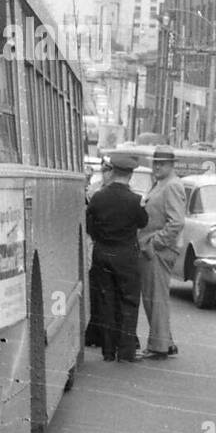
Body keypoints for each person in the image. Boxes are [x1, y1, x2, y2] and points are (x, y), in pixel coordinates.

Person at [85, 152, 149, 362]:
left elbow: (89, 225)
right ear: (130, 175)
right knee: (128, 302)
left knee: (106, 301)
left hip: (102, 253)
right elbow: (143, 223)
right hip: (126, 256)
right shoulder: (135, 200)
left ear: (112, 172)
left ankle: (108, 351)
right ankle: (126, 351)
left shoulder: (98, 197)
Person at [138, 146, 187, 359]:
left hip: (158, 250)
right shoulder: (161, 183)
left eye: (162, 163)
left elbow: (176, 222)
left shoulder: (172, 186)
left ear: (172, 165)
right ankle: (165, 342)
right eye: (155, 162)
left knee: (154, 298)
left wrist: (155, 243)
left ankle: (158, 346)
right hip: (154, 248)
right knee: (155, 297)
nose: (156, 166)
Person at [83, 157, 114, 347]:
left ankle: (104, 334)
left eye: (109, 169)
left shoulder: (116, 191)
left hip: (104, 244)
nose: (106, 173)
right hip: (93, 242)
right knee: (95, 290)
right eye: (104, 169)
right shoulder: (94, 190)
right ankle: (95, 332)